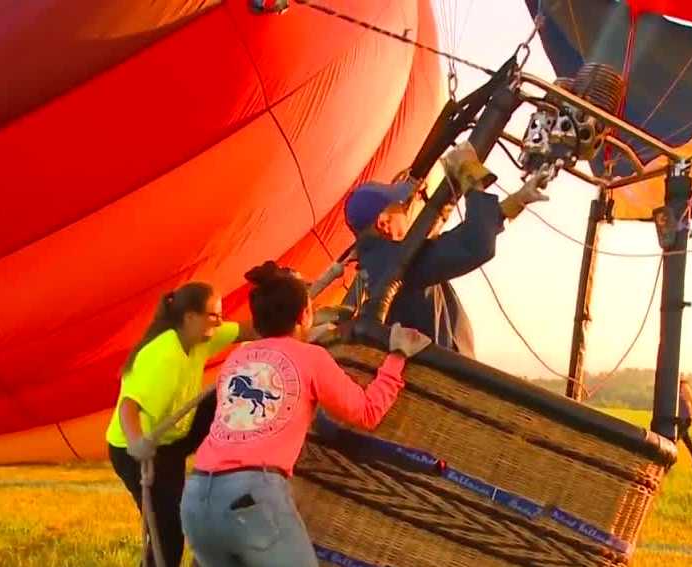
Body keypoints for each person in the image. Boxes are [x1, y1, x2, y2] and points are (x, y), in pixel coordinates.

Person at [180, 261, 430, 567]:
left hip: (197, 497)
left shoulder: (238, 357)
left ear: (257, 323)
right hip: (253, 495)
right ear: (305, 315)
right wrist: (397, 356)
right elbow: (366, 412)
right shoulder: (312, 358)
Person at [345, 142, 552, 356]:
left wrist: (516, 201)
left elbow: (453, 243)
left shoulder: (380, 261)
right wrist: (469, 172)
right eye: (402, 209)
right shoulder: (393, 263)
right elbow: (475, 243)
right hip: (437, 376)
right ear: (383, 223)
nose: (409, 212)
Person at [105, 282, 257, 567]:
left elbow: (251, 329)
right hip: (137, 450)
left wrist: (299, 313)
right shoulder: (163, 355)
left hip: (174, 441)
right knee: (168, 536)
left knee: (227, 389)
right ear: (190, 317)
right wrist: (139, 443)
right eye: (213, 315)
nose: (220, 321)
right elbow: (128, 407)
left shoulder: (202, 337)